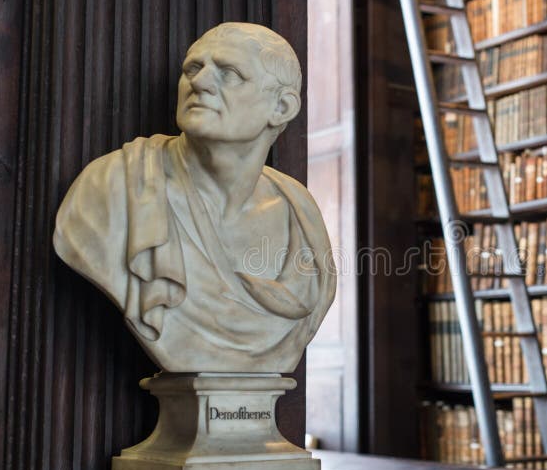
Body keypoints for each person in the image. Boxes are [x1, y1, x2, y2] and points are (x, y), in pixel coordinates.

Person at [53, 23, 336, 373]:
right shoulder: (111, 187)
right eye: (193, 68)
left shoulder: (301, 213)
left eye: (229, 73)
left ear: (281, 107)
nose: (199, 82)